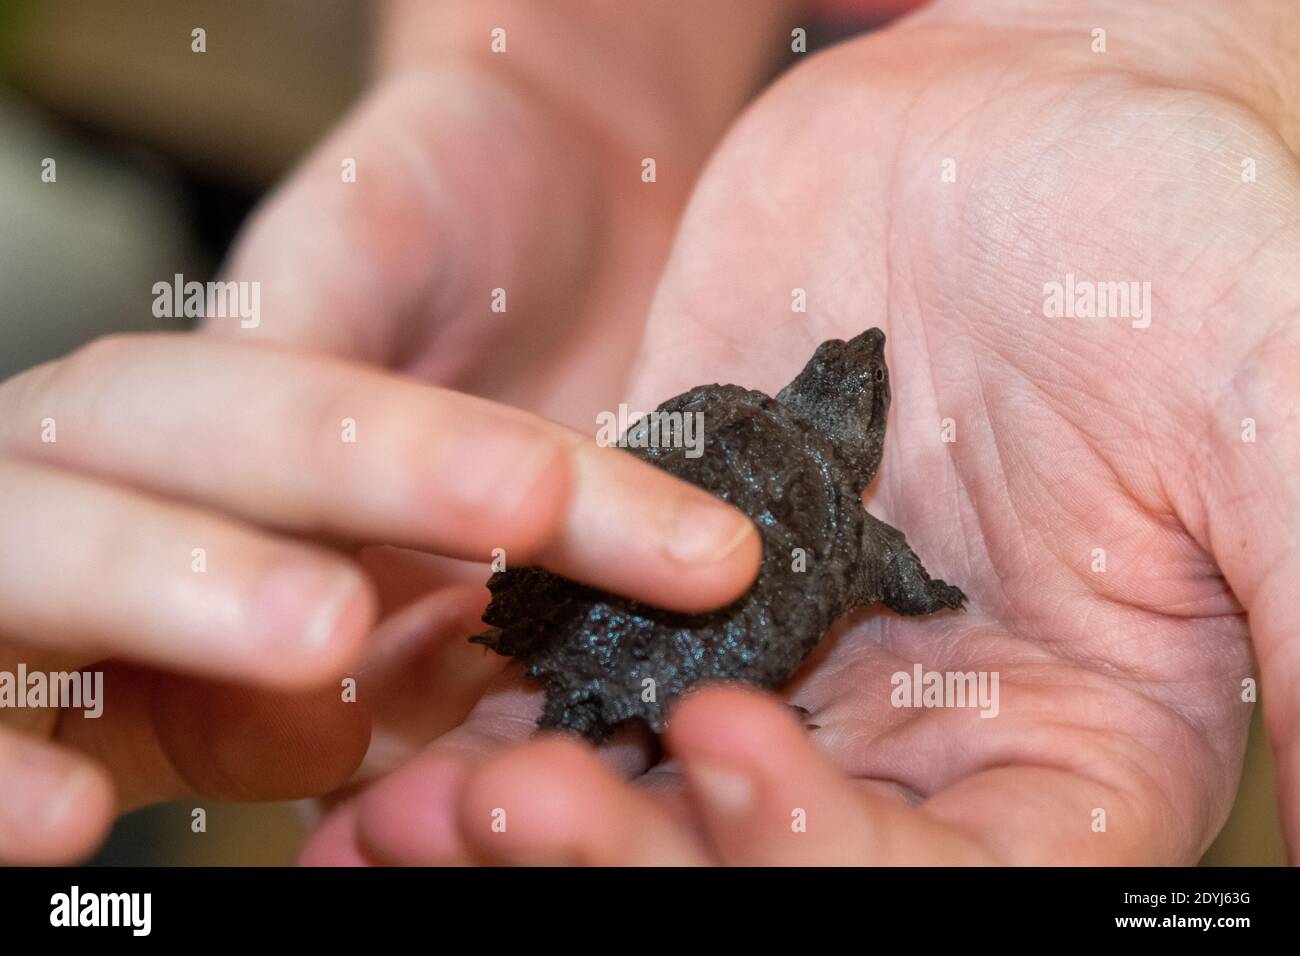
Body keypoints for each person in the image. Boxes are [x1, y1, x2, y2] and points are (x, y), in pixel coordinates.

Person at [3, 0, 1298, 866]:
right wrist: (559, 90)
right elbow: (886, 570)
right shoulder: (842, 520)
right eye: (849, 378)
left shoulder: (752, 434)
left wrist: (1206, 42)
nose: (855, 369)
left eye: (854, 378)